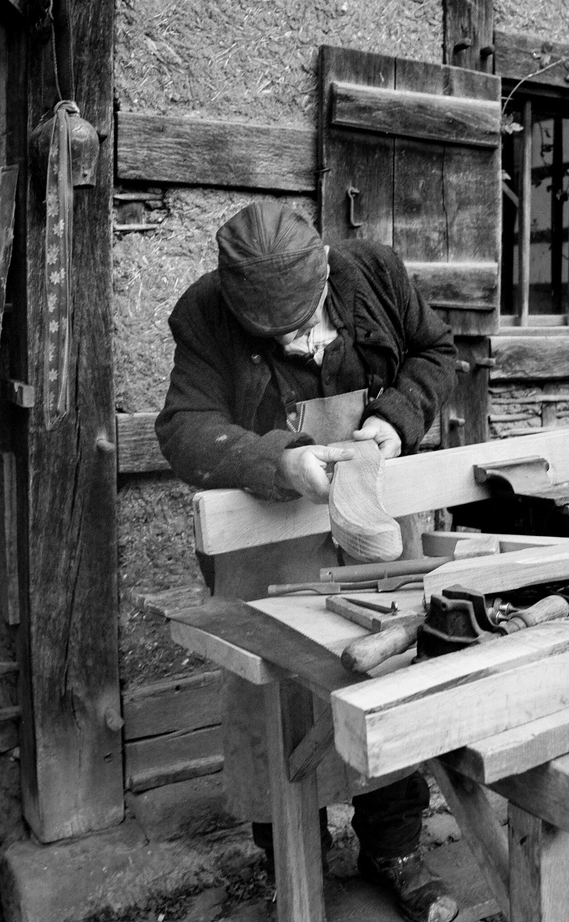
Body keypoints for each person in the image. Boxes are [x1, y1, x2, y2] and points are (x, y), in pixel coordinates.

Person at [156, 200, 459, 922]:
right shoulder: (202, 313)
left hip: (376, 518)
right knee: (277, 699)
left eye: (300, 319)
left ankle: (395, 850)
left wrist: (395, 420)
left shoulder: (374, 272)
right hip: (268, 536)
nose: (295, 338)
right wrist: (277, 460)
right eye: (273, 332)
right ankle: (293, 860)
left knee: (385, 681)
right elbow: (184, 428)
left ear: (323, 267)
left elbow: (434, 353)